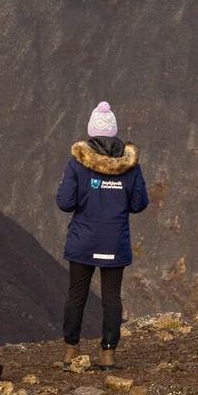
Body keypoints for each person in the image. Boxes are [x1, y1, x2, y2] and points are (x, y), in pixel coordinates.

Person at [57, 100, 149, 369]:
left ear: (91, 131)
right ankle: (108, 354)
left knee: (76, 294)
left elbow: (64, 202)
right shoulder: (130, 166)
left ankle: (70, 352)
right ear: (114, 132)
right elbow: (139, 203)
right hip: (114, 240)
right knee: (112, 298)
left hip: (83, 241)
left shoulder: (77, 165)